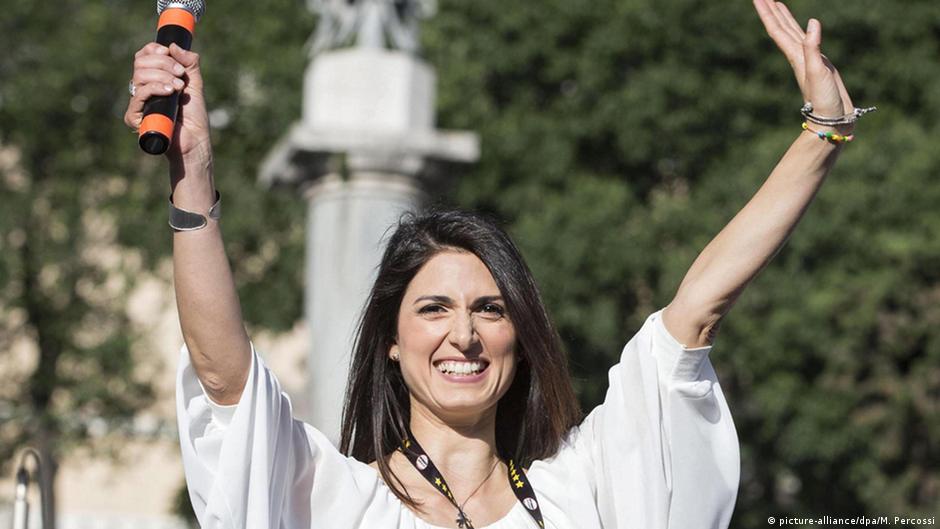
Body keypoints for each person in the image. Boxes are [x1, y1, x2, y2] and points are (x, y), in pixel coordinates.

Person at [124, 1, 873, 527]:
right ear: (390, 337)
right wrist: (191, 169)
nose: (465, 334)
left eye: (490, 307)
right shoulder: (330, 496)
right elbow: (225, 375)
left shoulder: (586, 490)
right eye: (433, 308)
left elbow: (694, 314)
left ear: (521, 333)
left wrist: (822, 134)